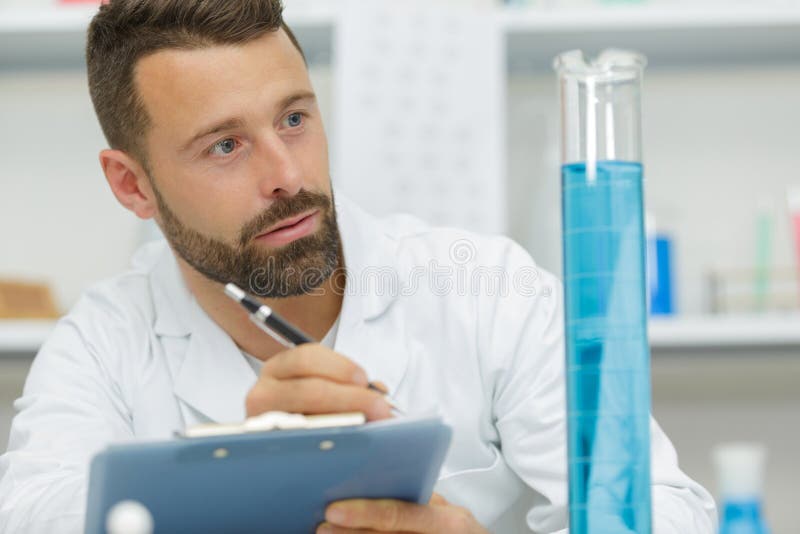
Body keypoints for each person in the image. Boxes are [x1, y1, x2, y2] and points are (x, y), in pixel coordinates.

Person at [0, 1, 717, 532]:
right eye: (225, 146)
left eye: (293, 119)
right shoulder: (101, 345)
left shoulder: (490, 293)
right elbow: (34, 514)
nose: (287, 174)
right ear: (133, 185)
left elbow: (667, 515)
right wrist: (245, 473)